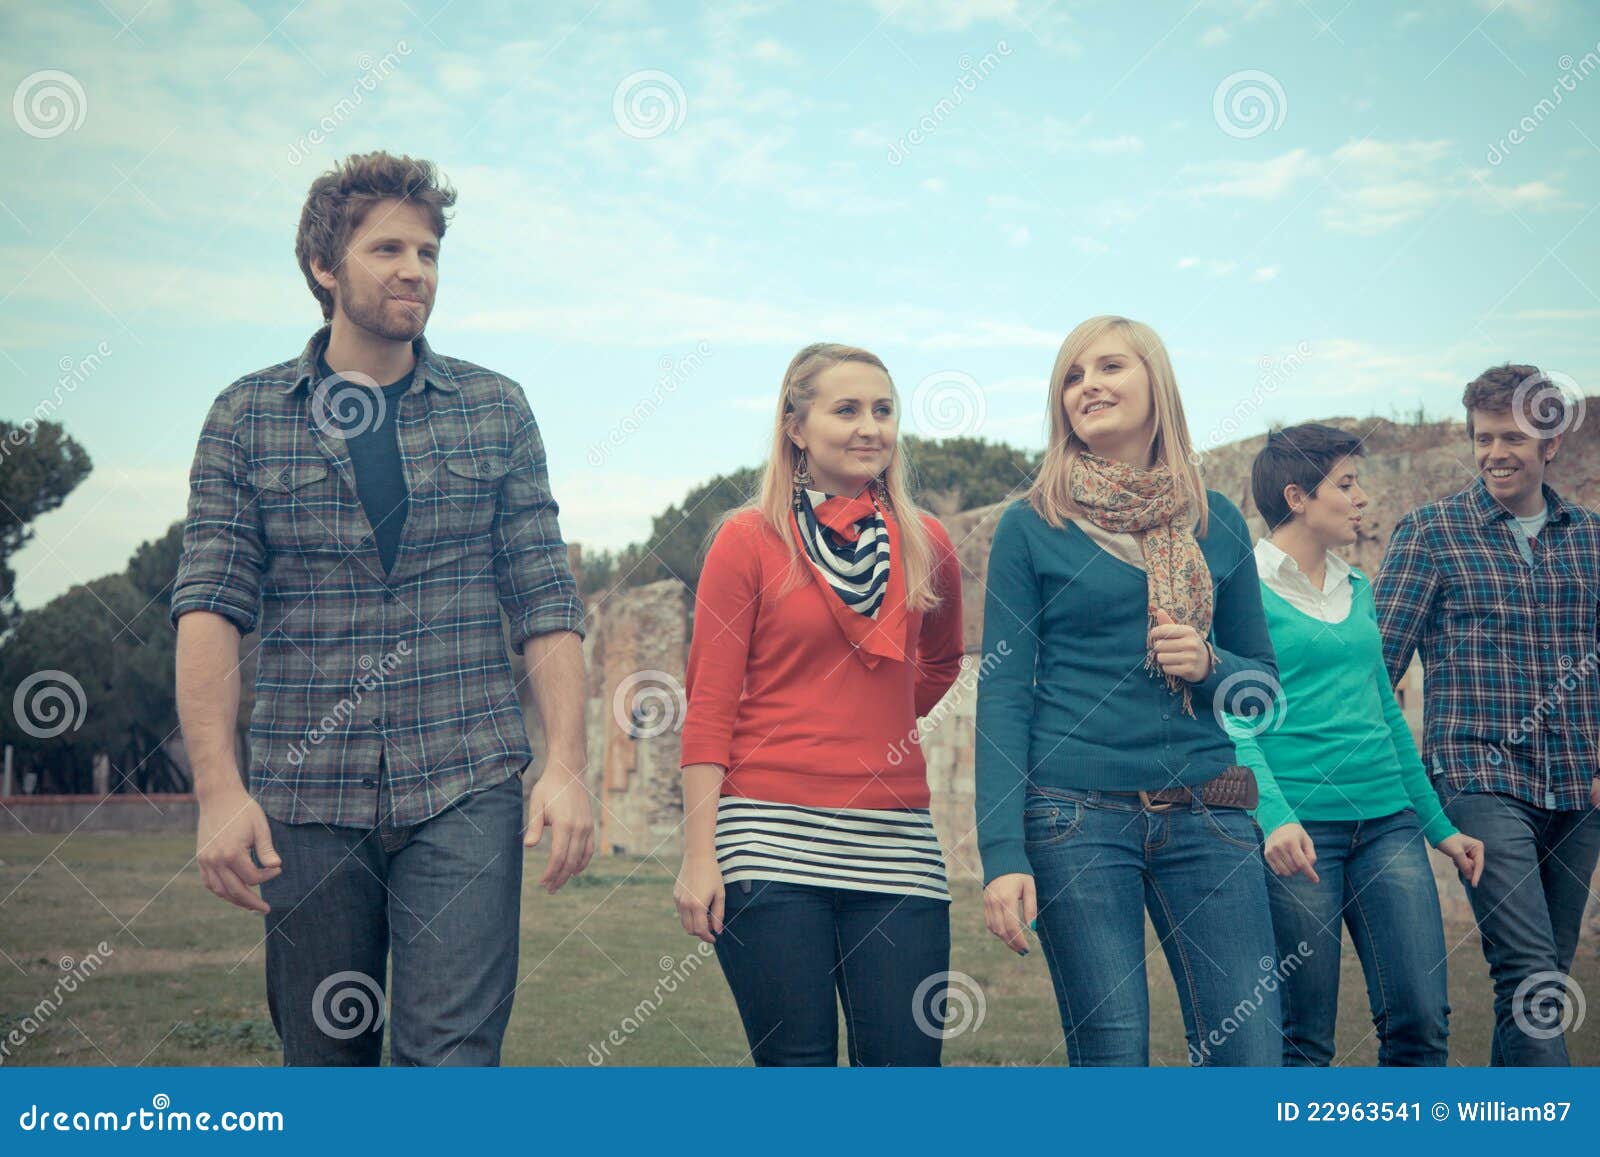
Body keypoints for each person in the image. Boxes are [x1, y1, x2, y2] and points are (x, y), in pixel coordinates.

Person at [171, 152, 593, 1066]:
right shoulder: (247, 416)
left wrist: (566, 763)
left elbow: (545, 596)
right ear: (326, 268)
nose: (416, 270)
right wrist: (218, 790)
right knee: (324, 1062)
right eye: (389, 248)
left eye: (430, 251)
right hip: (306, 793)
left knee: (452, 1059)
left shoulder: (494, 407)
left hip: (467, 779)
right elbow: (210, 606)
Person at [975, 314, 1281, 1066]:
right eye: (1073, 376)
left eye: (1109, 367)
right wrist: (1001, 852)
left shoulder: (1218, 522)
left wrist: (1210, 665)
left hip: (1209, 817)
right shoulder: (1031, 525)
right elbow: (1004, 692)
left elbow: (1265, 694)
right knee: (1113, 1056)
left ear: (1157, 384)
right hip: (1074, 818)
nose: (1089, 386)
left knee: (1249, 1051)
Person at [674, 342, 964, 1066]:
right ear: (796, 427)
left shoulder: (928, 542)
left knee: (905, 1071)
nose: (870, 427)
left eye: (883, 410)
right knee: (797, 1070)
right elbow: (709, 706)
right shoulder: (746, 539)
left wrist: (882, 726)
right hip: (766, 837)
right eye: (847, 409)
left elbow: (940, 662)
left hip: (897, 840)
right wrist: (698, 855)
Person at [1226, 422, 1484, 1066]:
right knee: (1305, 1038)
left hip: (1388, 825)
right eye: (1346, 483)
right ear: (1297, 497)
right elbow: (1232, 723)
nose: (1362, 497)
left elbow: (1388, 716)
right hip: (1301, 832)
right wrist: (1274, 818)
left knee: (1422, 1022)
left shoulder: (1359, 587)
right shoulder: (1240, 591)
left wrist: (1438, 826)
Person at [1375, 364, 1600, 1066]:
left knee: (1539, 983)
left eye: (1510, 436)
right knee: (1531, 975)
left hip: (1578, 788)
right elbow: (1377, 667)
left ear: (1551, 441)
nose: (1494, 451)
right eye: (1482, 437)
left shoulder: (1592, 539)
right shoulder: (1431, 533)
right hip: (1479, 777)